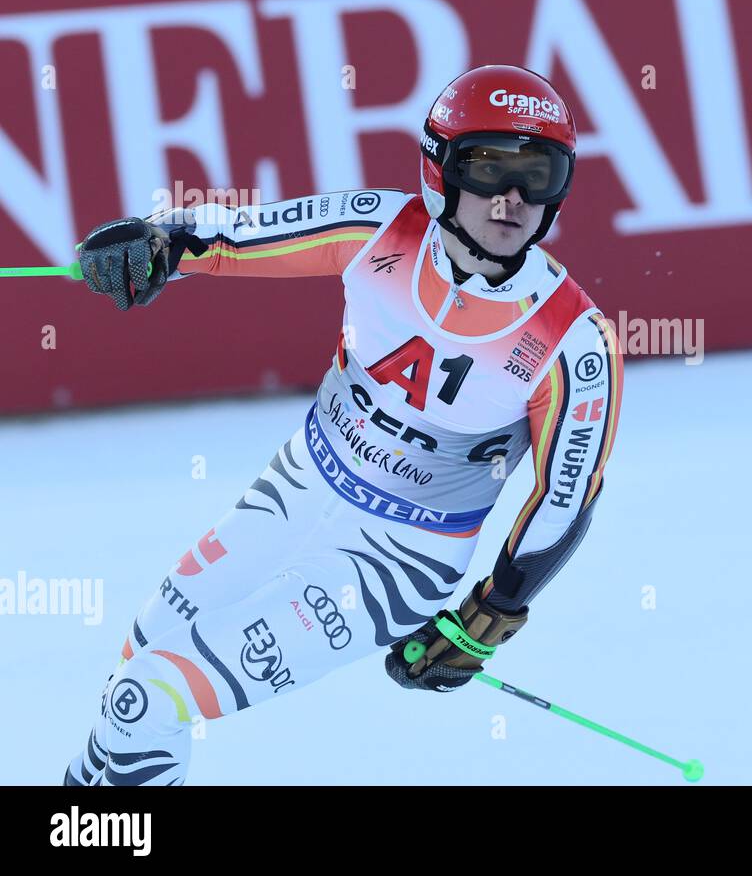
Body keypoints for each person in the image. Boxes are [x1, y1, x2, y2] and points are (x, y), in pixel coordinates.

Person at [63, 65, 623, 786]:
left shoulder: (573, 340)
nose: (511, 198)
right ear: (441, 168)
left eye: (538, 174)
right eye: (489, 167)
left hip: (397, 561)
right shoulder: (379, 227)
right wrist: (155, 243)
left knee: (148, 697)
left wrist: (489, 615)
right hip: (298, 488)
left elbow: (565, 497)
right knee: (136, 666)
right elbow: (233, 235)